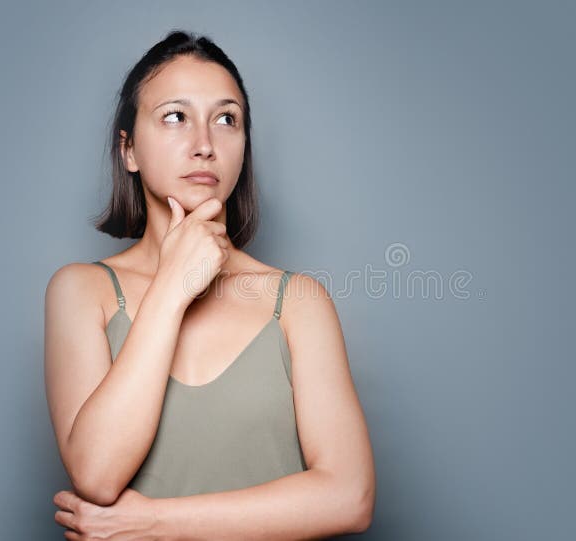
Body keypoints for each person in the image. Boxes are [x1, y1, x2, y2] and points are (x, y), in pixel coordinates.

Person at [44, 30, 375, 539]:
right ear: (129, 150)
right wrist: (172, 286)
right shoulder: (81, 291)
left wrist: (154, 522)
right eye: (175, 117)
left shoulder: (298, 302)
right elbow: (97, 473)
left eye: (226, 120)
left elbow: (349, 498)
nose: (204, 145)